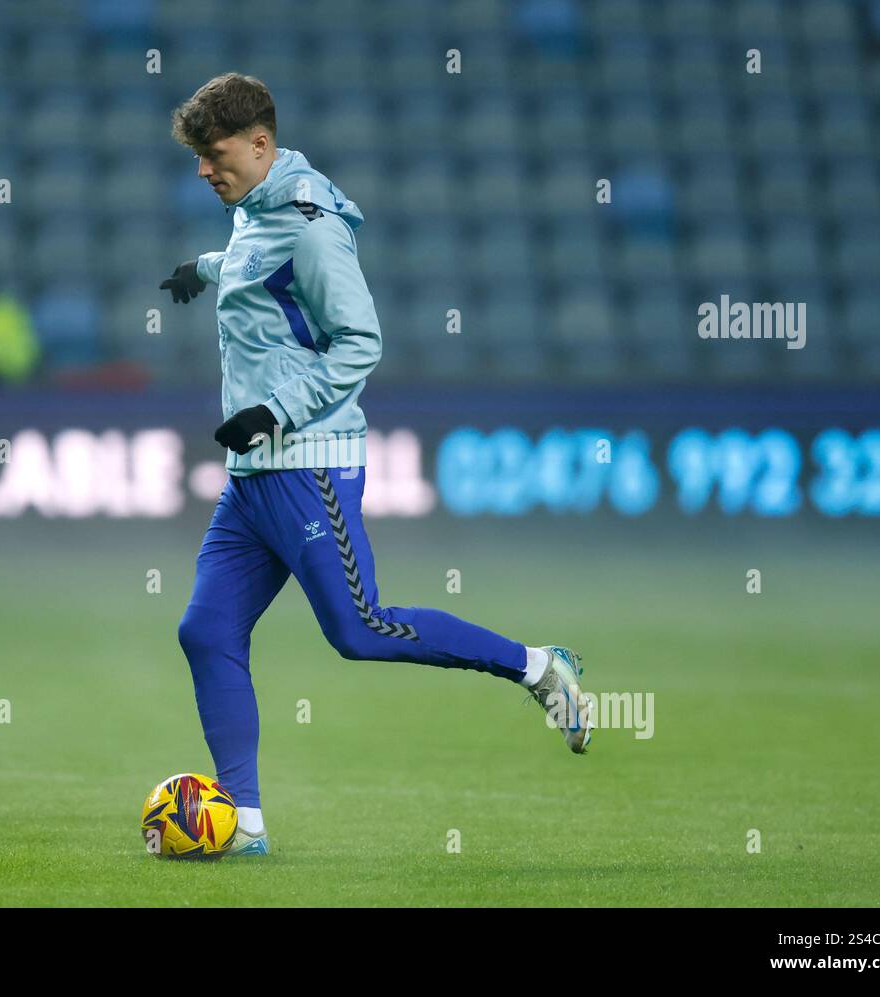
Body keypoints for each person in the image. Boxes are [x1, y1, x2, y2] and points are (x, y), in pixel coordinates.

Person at [162, 73, 593, 857]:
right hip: (255, 477)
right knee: (205, 630)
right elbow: (265, 274)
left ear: (260, 145)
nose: (202, 170)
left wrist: (275, 412)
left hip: (308, 464)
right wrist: (209, 267)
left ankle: (538, 667)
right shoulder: (258, 209)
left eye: (213, 153)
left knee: (359, 629)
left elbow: (359, 340)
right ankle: (245, 827)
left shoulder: (314, 223)